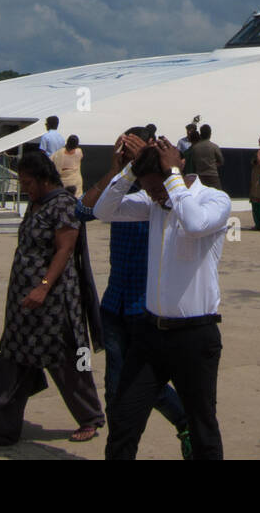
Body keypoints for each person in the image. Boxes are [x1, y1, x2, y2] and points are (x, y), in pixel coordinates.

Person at [94, 133, 231, 460]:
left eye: (156, 188)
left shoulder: (214, 200)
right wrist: (129, 172)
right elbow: (102, 210)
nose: (154, 196)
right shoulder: (153, 204)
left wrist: (170, 180)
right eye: (148, 188)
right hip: (150, 334)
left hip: (195, 336)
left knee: (202, 428)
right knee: (124, 419)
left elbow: (195, 224)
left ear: (178, 166)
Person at [0, 150, 104, 447]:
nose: (24, 188)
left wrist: (43, 286)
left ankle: (90, 417)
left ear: (45, 179)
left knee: (68, 363)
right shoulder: (36, 204)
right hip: (23, 305)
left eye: (28, 182)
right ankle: (2, 430)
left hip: (55, 304)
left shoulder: (62, 205)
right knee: (11, 361)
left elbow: (64, 249)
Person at [77, 129, 193, 458]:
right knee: (116, 386)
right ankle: (122, 447)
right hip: (115, 302)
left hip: (147, 307)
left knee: (142, 382)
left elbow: (186, 206)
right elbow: (84, 211)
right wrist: (118, 169)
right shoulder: (121, 195)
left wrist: (156, 166)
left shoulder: (156, 198)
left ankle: (185, 419)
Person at [185, 123, 224, 189]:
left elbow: (193, 162)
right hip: (213, 177)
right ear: (210, 134)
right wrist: (212, 164)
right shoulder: (214, 147)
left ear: (201, 134)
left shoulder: (195, 148)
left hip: (200, 177)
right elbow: (221, 161)